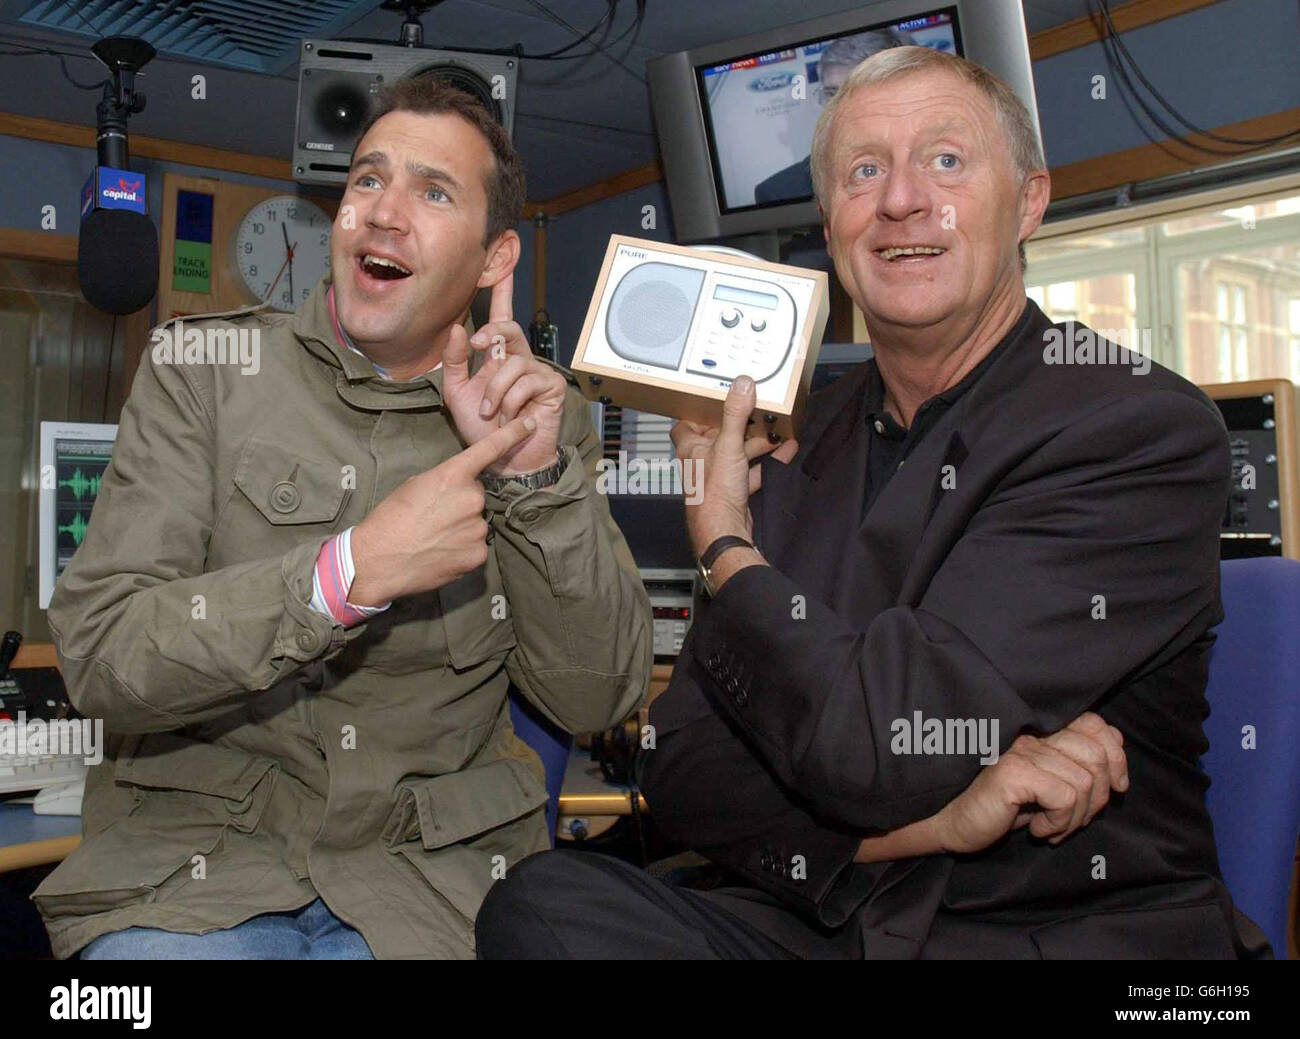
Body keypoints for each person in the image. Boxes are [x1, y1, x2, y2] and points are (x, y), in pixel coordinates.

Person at [474, 47, 1266, 960]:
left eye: (946, 161)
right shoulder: (801, 432)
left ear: (1031, 203)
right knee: (544, 907)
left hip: (1057, 935)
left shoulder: (1135, 428)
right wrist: (932, 823)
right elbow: (682, 771)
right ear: (832, 223)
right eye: (863, 171)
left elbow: (881, 746)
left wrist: (725, 541)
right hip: (827, 913)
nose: (899, 201)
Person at [33, 78, 652, 960]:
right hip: (199, 878)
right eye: (368, 180)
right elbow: (100, 652)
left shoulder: (543, 424)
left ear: (494, 259)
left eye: (434, 192)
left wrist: (532, 476)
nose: (384, 215)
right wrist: (342, 577)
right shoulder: (201, 371)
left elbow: (600, 696)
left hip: (430, 885)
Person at [753, 28, 915, 205]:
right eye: (831, 93)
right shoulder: (778, 191)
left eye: (856, 92)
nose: (840, 108)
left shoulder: (935, 166)